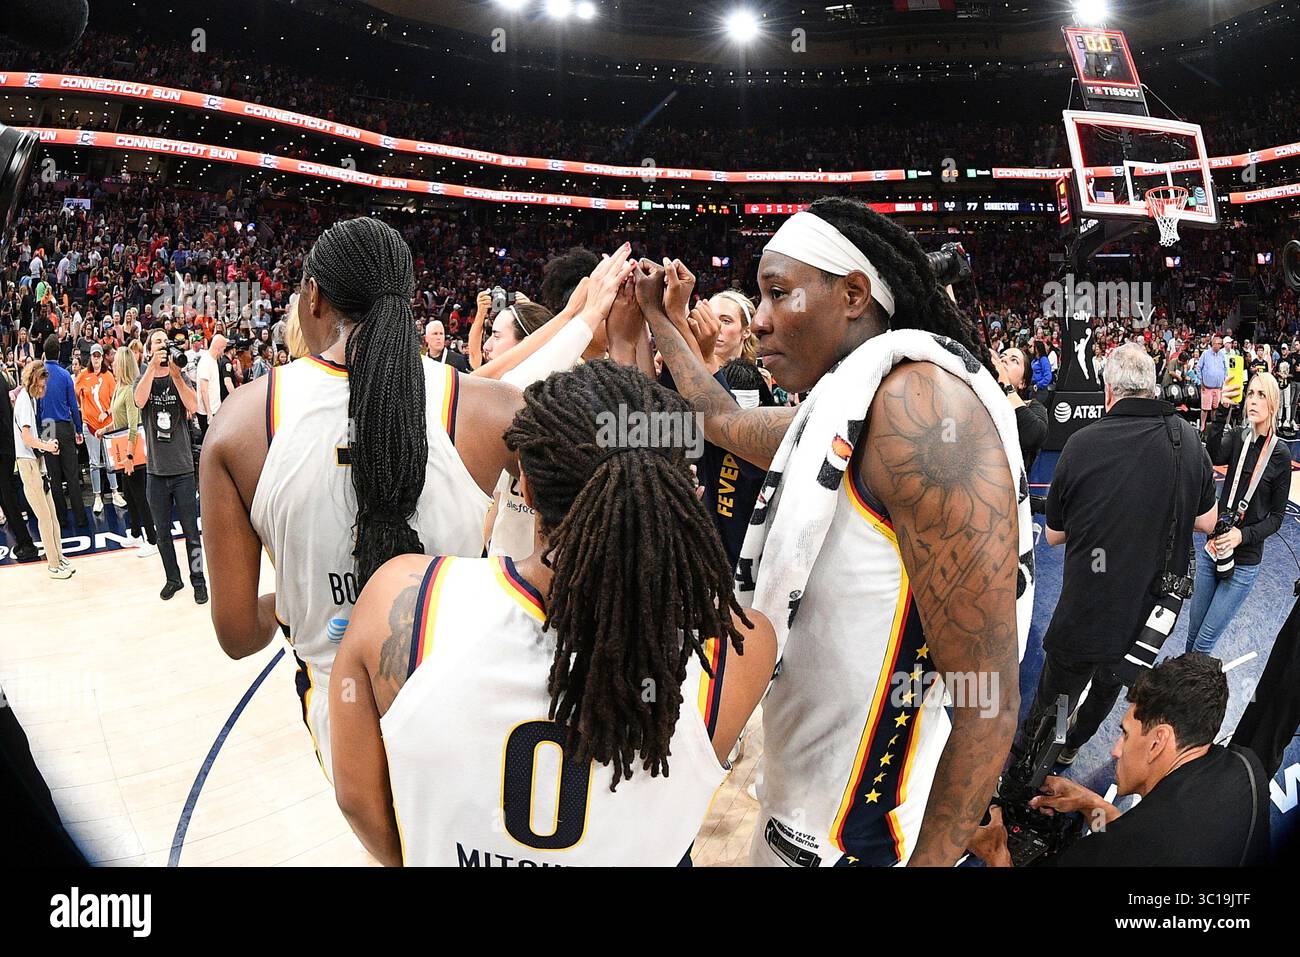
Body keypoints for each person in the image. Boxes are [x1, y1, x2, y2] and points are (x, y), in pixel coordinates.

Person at [636, 197, 1032, 867]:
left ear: (852, 294)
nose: (759, 319)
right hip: (800, 811)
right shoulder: (847, 403)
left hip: (861, 841)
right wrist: (658, 319)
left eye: (778, 292)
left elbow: (987, 700)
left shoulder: (921, 410)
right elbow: (725, 421)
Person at [330, 361, 777, 865]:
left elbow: (357, 800)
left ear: (526, 484)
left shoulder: (403, 597)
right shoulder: (740, 648)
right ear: (679, 490)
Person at [199, 217, 536, 782]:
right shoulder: (491, 409)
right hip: (467, 687)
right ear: (407, 300)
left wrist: (298, 599)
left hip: (342, 716)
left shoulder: (238, 425)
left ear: (313, 297)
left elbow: (236, 634)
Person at [1022, 344, 1218, 767]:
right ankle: (1071, 746)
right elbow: (1206, 521)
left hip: (1085, 616)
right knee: (1108, 689)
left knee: (1060, 697)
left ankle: (1040, 756)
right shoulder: (1187, 438)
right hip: (1145, 622)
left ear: (1108, 391)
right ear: (1152, 388)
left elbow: (1055, 534)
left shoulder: (1081, 445)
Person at [971, 654, 1270, 867]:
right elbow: (1134, 837)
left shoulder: (1122, 853)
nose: (1115, 750)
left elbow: (1132, 847)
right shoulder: (1245, 769)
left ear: (1157, 741)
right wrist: (1090, 804)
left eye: (1126, 734)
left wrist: (997, 854)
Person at [1185, 373, 1290, 655]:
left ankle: (1189, 697)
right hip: (1213, 549)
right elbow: (1213, 454)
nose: (1253, 401)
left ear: (1273, 404)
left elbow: (1277, 518)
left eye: (1261, 395)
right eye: (1251, 394)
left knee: (1204, 642)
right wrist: (1221, 411)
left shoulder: (1279, 453)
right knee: (1192, 635)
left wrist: (1241, 536)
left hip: (1244, 562)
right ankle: (1181, 695)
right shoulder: (1240, 437)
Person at [134, 329, 206, 602]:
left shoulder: (180, 375)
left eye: (165, 341)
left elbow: (194, 404)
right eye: (157, 342)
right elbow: (139, 400)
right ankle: (173, 579)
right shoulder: (145, 378)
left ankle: (198, 581)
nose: (163, 345)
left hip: (183, 470)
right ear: (150, 348)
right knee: (162, 534)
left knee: (192, 534)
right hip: (156, 471)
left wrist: (176, 375)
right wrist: (152, 367)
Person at [11, 362, 73, 579]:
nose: (44, 385)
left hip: (37, 463)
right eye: (42, 381)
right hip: (28, 464)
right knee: (44, 518)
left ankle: (59, 556)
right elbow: (27, 439)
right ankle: (53, 565)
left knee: (53, 514)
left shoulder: (30, 400)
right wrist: (47, 446)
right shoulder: (24, 402)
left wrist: (45, 452)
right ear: (33, 379)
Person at [106, 346, 157, 557]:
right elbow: (118, 422)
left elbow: (134, 426)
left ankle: (152, 540)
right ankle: (136, 534)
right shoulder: (119, 387)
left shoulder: (129, 391)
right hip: (122, 448)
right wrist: (104, 429)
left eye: (116, 361)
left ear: (123, 364)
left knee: (140, 496)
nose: (113, 363)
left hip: (132, 452)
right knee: (130, 495)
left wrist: (128, 456)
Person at [39, 335, 90, 531]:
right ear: (59, 353)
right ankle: (81, 519)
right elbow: (73, 406)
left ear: (44, 353)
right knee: (71, 474)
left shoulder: (40, 376)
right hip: (64, 424)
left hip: (47, 426)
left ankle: (61, 520)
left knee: (54, 476)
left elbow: (37, 408)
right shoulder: (64, 375)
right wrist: (78, 429)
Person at [75, 344, 126, 515]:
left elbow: (115, 402)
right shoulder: (83, 376)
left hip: (107, 425)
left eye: (98, 356)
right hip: (89, 425)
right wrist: (84, 410)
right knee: (94, 462)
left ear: (102, 357)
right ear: (90, 357)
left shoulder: (109, 376)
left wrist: (107, 412)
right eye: (93, 356)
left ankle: (115, 492)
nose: (96, 359)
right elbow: (76, 395)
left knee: (111, 460)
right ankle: (97, 496)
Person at [0, 363, 40, 563]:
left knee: (8, 497)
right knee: (5, 497)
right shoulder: (2, 377)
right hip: (7, 446)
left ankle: (27, 543)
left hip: (4, 448)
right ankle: (23, 541)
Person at [994, 344, 1049, 476]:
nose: (1004, 360)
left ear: (1022, 383)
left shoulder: (1032, 407)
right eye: (1002, 357)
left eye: (1014, 360)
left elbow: (1033, 435)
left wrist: (1005, 384)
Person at [194, 334, 227, 439]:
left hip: (214, 409)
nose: (223, 352)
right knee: (209, 440)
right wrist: (209, 413)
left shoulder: (213, 360)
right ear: (219, 348)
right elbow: (204, 390)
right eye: (223, 349)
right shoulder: (206, 362)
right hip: (207, 412)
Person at [1196, 334, 1227, 434]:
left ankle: (1214, 425)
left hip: (1218, 387)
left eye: (1221, 344)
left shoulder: (1222, 355)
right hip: (1207, 386)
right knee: (1205, 408)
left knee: (1215, 408)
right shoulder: (1205, 354)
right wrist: (1201, 380)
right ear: (1214, 344)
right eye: (1219, 344)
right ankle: (1202, 425)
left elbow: (1225, 369)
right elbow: (1198, 367)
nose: (1220, 346)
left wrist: (1224, 381)